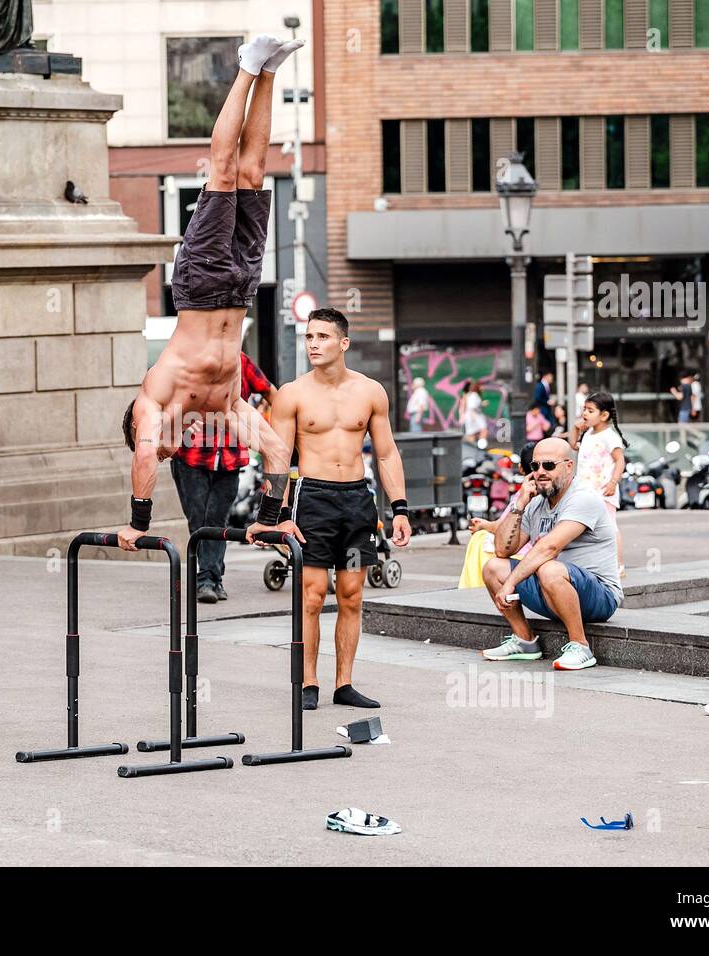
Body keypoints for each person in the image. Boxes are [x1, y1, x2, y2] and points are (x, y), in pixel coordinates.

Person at [118, 35, 304, 551]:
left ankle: (245, 67)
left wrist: (139, 522)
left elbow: (143, 453)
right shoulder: (224, 405)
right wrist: (272, 514)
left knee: (223, 174)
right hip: (241, 286)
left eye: (162, 449)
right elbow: (275, 447)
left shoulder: (154, 399)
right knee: (253, 173)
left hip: (199, 284)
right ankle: (268, 73)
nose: (170, 451)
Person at [268, 308, 412, 710]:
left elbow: (385, 454)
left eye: (323, 337)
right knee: (312, 596)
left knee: (351, 595)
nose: (313, 344)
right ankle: (308, 682)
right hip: (312, 499)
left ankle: (344, 683)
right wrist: (278, 516)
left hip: (355, 502)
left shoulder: (370, 392)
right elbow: (279, 458)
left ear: (343, 343)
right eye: (309, 337)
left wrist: (400, 508)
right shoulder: (292, 393)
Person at [481, 437, 623, 671]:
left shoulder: (582, 498)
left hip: (600, 596)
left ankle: (580, 646)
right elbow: (503, 549)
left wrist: (510, 584)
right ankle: (525, 641)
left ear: (569, 466)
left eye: (548, 465)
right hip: (555, 589)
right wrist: (519, 503)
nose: (540, 472)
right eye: (535, 466)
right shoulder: (536, 503)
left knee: (548, 567)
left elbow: (549, 548)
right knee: (493, 567)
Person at [171, 351, 274, 604]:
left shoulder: (242, 362)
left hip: (229, 459)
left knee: (218, 521)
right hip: (190, 457)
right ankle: (209, 578)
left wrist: (279, 425)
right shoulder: (187, 362)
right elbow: (166, 401)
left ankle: (210, 579)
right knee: (199, 521)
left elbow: (272, 392)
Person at [459, 441, 536, 588]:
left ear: (521, 468)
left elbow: (505, 527)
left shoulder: (524, 495)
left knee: (479, 539)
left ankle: (474, 587)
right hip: (528, 550)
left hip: (525, 555)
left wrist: (484, 525)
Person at [569, 390, 629, 575]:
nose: (585, 414)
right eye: (584, 409)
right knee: (584, 526)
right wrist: (575, 429)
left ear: (604, 415)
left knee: (610, 527)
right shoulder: (588, 434)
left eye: (590, 410)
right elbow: (573, 445)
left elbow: (620, 460)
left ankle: (618, 565)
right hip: (585, 490)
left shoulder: (610, 437)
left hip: (603, 491)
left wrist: (613, 482)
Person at [461, 379, 488, 447]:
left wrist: (481, 404)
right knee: (483, 431)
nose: (483, 388)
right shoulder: (474, 395)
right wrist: (475, 419)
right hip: (473, 417)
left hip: (471, 417)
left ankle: (472, 449)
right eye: (481, 386)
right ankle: (480, 447)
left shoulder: (472, 395)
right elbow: (471, 408)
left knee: (472, 435)